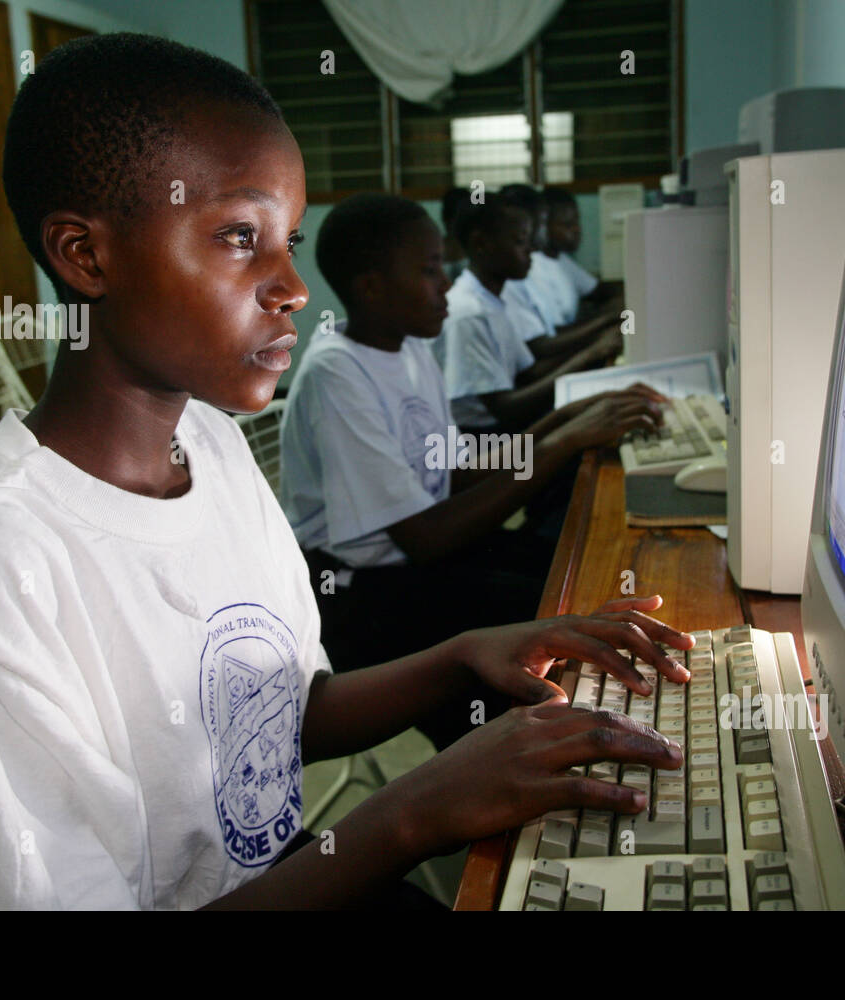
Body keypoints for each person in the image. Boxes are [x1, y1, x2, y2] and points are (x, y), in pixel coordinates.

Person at [0, 32, 691, 911]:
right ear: (85, 255)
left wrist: (466, 657)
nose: (295, 288)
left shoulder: (216, 447)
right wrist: (412, 811)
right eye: (239, 237)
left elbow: (285, 714)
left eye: (289, 241)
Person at [280, 193, 665, 732]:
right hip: (362, 595)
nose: (446, 282)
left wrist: (572, 418)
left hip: (412, 564)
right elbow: (425, 537)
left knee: (565, 575)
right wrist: (559, 445)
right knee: (552, 613)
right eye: (431, 269)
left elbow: (451, 464)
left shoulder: (408, 343)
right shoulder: (336, 375)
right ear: (371, 287)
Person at [436, 194, 621, 435]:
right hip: (481, 441)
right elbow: (507, 410)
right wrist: (589, 355)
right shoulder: (469, 313)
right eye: (521, 241)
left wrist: (596, 353)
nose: (532, 250)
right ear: (481, 244)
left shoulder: (491, 300)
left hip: (503, 427)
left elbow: (529, 372)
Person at [497, 184, 620, 359]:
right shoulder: (516, 279)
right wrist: (602, 329)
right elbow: (541, 348)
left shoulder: (540, 265)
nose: (542, 232)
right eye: (540, 224)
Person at [542, 185, 624, 317]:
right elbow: (552, 335)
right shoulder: (535, 267)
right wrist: (607, 319)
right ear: (543, 226)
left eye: (576, 222)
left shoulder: (560, 260)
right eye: (567, 225)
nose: (577, 229)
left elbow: (599, 290)